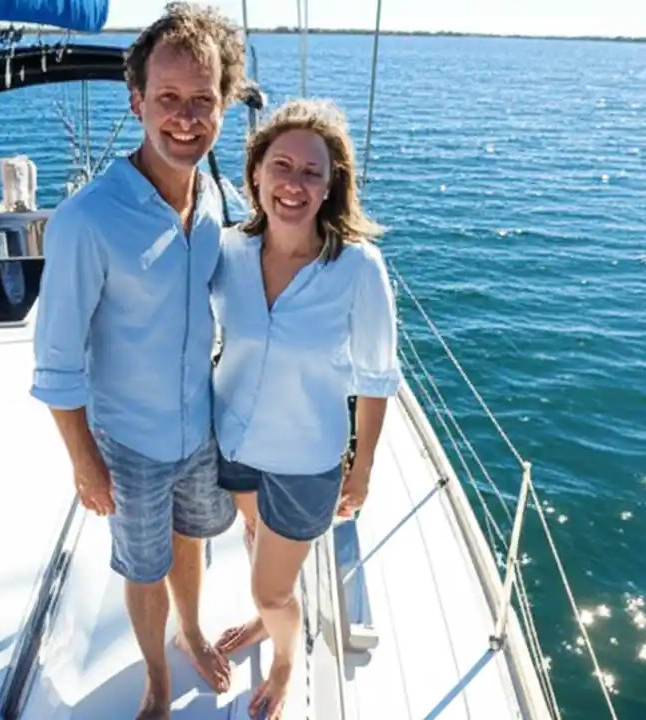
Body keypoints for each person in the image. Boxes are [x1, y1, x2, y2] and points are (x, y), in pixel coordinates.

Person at [29, 4, 247, 718]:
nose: (185, 119)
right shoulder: (88, 220)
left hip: (202, 430)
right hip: (129, 444)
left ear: (224, 104)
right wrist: (83, 461)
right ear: (137, 103)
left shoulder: (216, 198)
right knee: (144, 567)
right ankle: (156, 678)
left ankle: (191, 631)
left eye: (202, 102)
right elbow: (57, 360)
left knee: (193, 543)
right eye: (168, 100)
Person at [210, 98, 401, 719]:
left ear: (329, 187)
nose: (293, 183)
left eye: (311, 173)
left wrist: (363, 466)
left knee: (271, 585)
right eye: (281, 166)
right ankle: (270, 618)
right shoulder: (227, 252)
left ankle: (286, 654)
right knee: (251, 536)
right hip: (231, 442)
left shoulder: (357, 269)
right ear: (256, 175)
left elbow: (376, 378)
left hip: (303, 460)